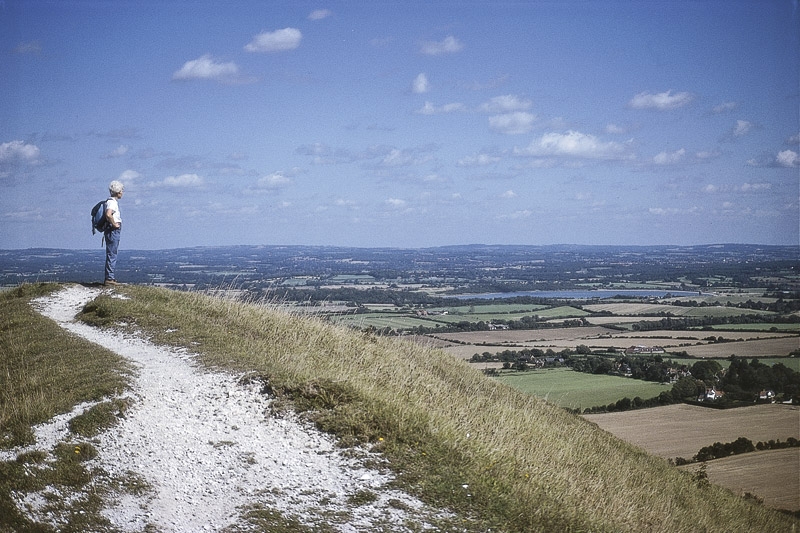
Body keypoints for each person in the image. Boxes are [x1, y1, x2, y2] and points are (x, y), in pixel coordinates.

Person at [103, 180, 124, 285]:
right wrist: (114, 224)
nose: (122, 192)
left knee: (111, 252)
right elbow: (108, 214)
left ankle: (110, 277)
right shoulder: (112, 202)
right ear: (118, 192)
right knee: (112, 253)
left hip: (111, 229)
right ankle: (109, 278)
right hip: (113, 229)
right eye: (122, 190)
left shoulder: (110, 201)